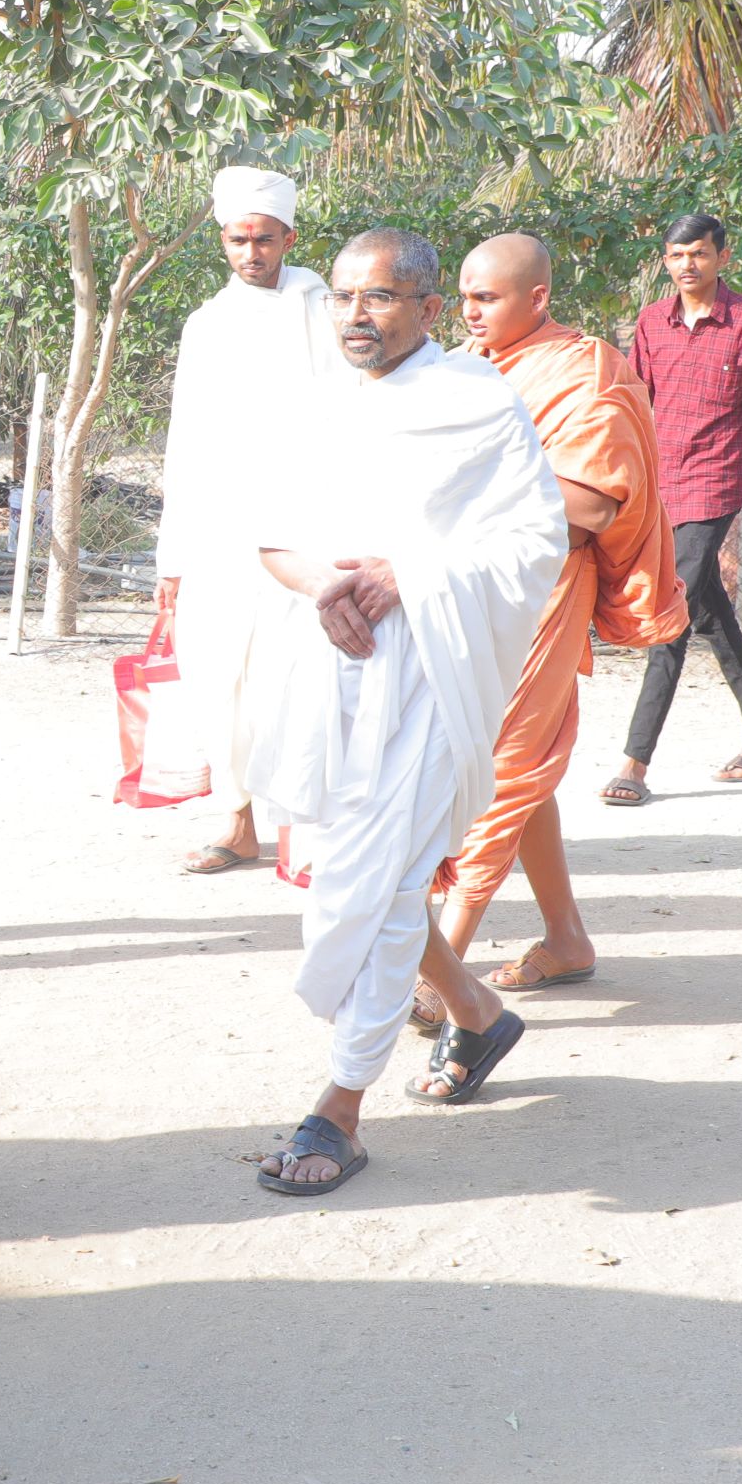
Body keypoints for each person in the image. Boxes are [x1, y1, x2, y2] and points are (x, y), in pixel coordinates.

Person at [236, 230, 567, 1193]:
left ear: (428, 310)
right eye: (341, 297)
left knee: (376, 889)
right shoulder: (313, 402)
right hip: (330, 672)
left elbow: (533, 542)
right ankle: (476, 1014)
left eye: (378, 298)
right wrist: (327, 585)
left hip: (430, 674)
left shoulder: (478, 404)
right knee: (369, 868)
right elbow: (273, 540)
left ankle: (337, 1109)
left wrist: (405, 575)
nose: (354, 316)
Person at [416, 234, 683, 1015]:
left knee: (503, 771)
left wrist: (487, 479)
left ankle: (443, 969)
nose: (470, 312)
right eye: (464, 296)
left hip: (544, 588)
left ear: (537, 298)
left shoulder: (584, 369)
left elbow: (596, 503)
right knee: (512, 765)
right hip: (467, 591)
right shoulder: (465, 370)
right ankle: (566, 938)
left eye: (488, 298)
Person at [150, 163, 347, 875]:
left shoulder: (329, 308)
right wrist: (172, 559)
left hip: (308, 526)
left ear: (289, 236)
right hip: (222, 531)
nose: (252, 253)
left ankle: (306, 833)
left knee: (297, 675)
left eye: (264, 239)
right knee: (217, 670)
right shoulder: (207, 323)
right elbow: (185, 441)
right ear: (223, 240)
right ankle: (236, 822)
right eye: (239, 239)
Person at [608, 212, 742, 804]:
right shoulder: (650, 322)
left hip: (713, 488)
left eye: (699, 254)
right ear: (665, 261)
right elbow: (634, 408)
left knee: (671, 614)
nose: (687, 265)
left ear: (721, 258)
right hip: (660, 488)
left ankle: (632, 766)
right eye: (676, 255)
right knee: (709, 611)